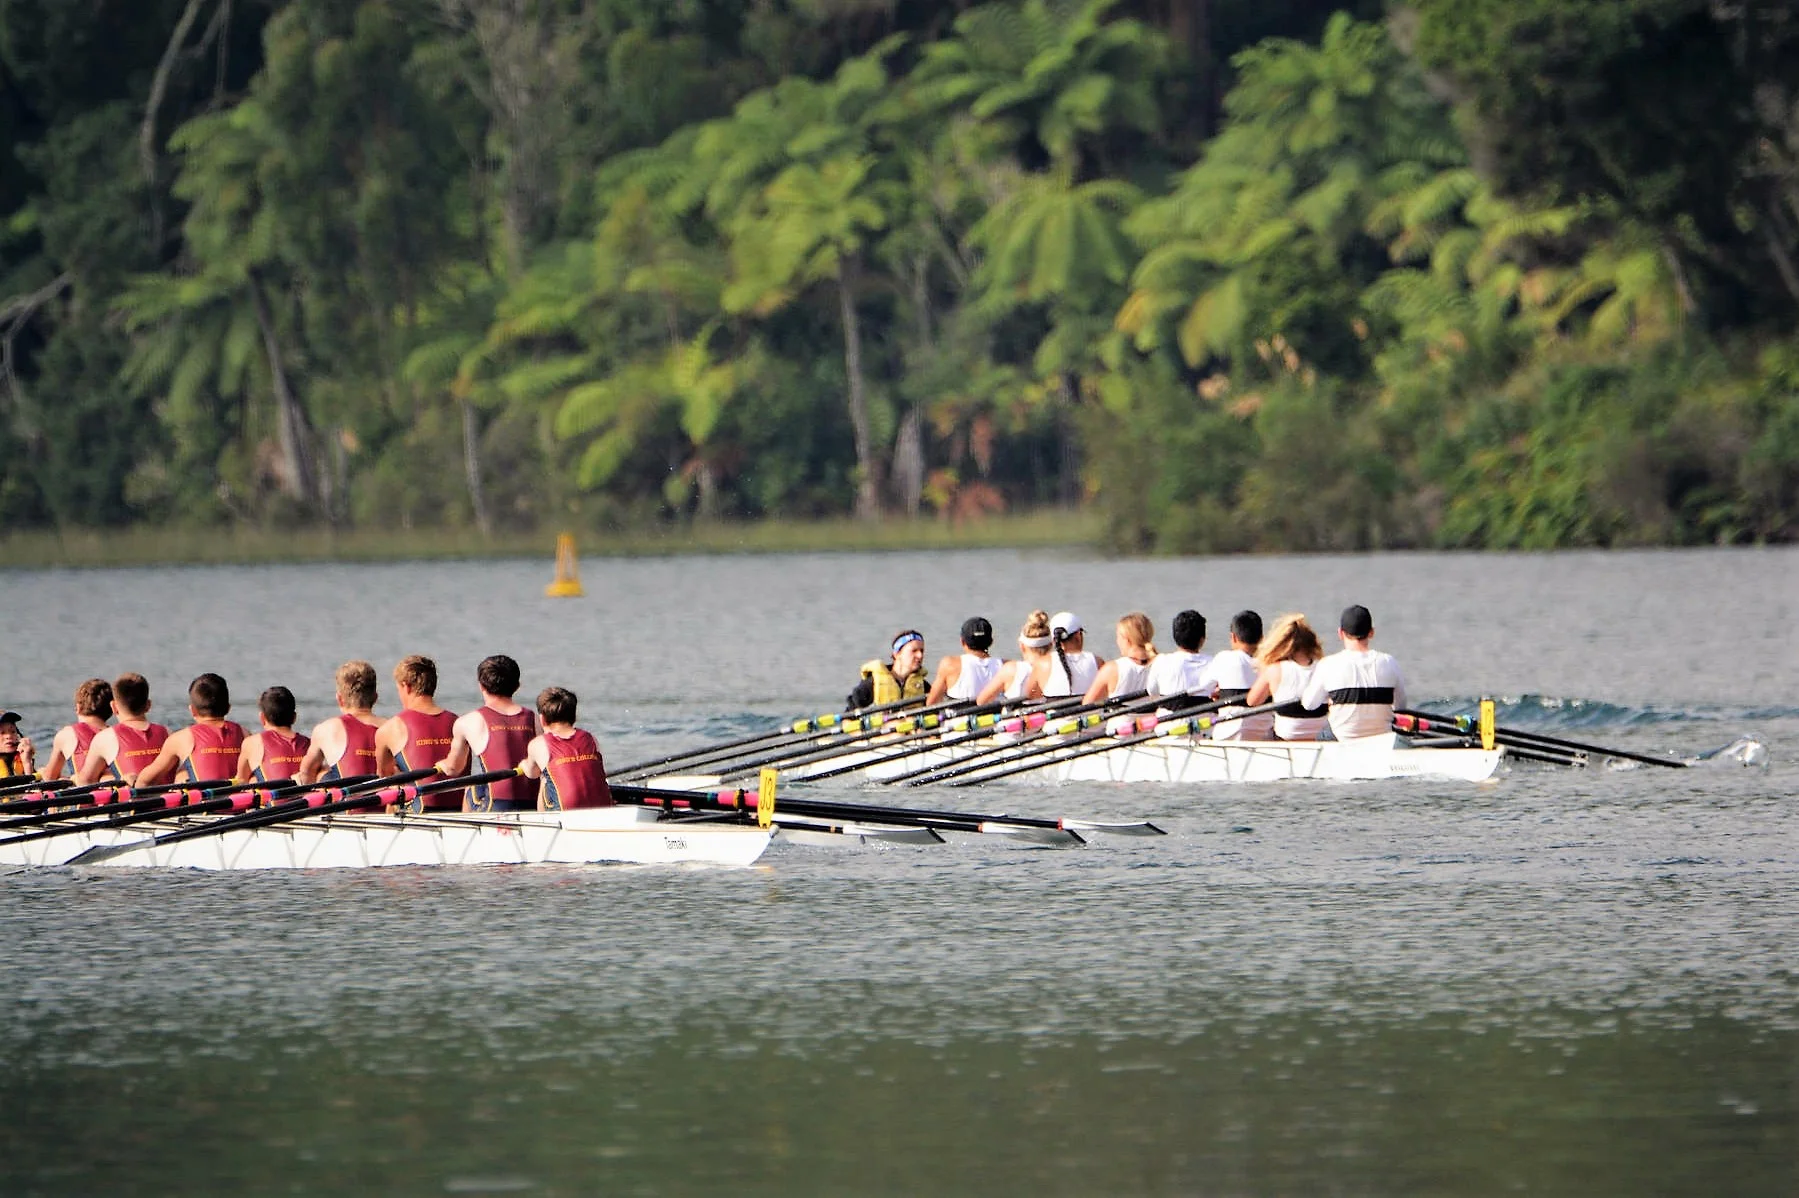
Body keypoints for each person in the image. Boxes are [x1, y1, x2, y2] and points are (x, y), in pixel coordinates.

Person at [436, 654, 541, 812]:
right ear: (517, 685)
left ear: (481, 686)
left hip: (497, 806)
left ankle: (467, 831)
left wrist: (442, 764)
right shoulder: (535, 719)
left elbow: (454, 769)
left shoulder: (468, 721)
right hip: (533, 805)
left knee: (471, 787)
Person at [1301, 604, 1408, 740]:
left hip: (1342, 740)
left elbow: (1309, 705)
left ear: (1340, 633)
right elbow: (1400, 707)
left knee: (1323, 729)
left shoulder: (1328, 665)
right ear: (1371, 632)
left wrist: (1331, 698)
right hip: (1382, 740)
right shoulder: (1389, 662)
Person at [375, 655, 460, 811]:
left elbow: (384, 779)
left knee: (392, 789)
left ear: (406, 687)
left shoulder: (390, 728)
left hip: (420, 813)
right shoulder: (458, 722)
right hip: (459, 812)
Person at [134, 674, 246, 785]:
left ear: (192, 710)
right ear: (228, 708)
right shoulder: (244, 733)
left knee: (181, 776)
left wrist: (134, 781)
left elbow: (145, 781)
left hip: (204, 801)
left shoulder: (181, 738)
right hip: (241, 800)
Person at [519, 686, 613, 810]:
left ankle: (543, 819)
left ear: (542, 719)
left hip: (565, 813)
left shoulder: (538, 743)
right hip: (603, 808)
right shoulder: (591, 738)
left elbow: (531, 773)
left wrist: (523, 765)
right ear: (574, 716)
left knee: (544, 778)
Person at [295, 661, 383, 784]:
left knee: (320, 774)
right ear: (375, 698)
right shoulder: (393, 726)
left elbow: (306, 774)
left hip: (349, 801)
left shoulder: (326, 729)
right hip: (388, 800)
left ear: (340, 699)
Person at [75, 673, 169, 785]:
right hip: (170, 800)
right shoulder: (168, 733)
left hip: (131, 800)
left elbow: (86, 781)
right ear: (148, 705)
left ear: (113, 707)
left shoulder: (105, 737)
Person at [1247, 613, 1328, 741]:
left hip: (1285, 738)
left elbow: (1252, 701)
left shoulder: (1274, 670)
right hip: (1318, 737)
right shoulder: (1325, 667)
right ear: (1312, 642)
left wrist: (1271, 688)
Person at [1197, 610, 1274, 740]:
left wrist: (1221, 693)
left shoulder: (1224, 658)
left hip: (1231, 732)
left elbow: (1203, 687)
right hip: (1265, 732)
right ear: (1262, 638)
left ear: (1233, 637)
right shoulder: (1272, 662)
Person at [234, 686, 312, 783]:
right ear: (294, 717)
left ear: (262, 717)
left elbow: (241, 782)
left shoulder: (252, 743)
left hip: (272, 798)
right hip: (304, 795)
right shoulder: (310, 744)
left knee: (251, 781)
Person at [976, 611, 1052, 704]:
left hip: (1016, 716)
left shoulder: (1010, 669)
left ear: (1022, 646)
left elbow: (981, 701)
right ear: (1051, 645)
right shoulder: (1060, 667)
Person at [42, 679, 111, 780]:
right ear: (111, 709)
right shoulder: (116, 734)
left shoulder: (66, 735)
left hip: (84, 791)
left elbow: (50, 777)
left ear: (78, 708)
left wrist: (44, 772)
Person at [926, 617, 1003, 705]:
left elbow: (931, 703)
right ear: (991, 641)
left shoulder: (949, 664)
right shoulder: (1006, 666)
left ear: (962, 641)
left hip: (959, 717)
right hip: (996, 716)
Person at [1082, 613, 1156, 704]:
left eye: (1118, 637)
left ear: (1126, 640)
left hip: (1121, 718)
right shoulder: (1162, 664)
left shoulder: (1111, 669)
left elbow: (1087, 705)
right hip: (1156, 717)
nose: (1117, 641)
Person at [846, 631, 930, 710]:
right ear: (897, 654)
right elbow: (850, 713)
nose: (920, 655)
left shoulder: (923, 686)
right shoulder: (873, 682)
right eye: (914, 651)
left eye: (922, 651)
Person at [1145, 610, 1211, 704]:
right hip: (1205, 717)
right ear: (1202, 640)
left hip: (1169, 717)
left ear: (1175, 637)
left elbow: (1152, 691)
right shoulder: (1214, 663)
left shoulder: (1161, 661)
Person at [1044, 612, 1103, 698]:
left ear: (1053, 641)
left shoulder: (1043, 664)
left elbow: (1032, 696)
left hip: (1053, 710)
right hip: (1090, 710)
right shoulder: (1097, 662)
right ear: (1078, 636)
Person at [0, 711, 35, 778]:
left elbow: (31, 786)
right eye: (2, 733)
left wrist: (27, 762)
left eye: (13, 731)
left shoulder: (23, 757)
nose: (9, 736)